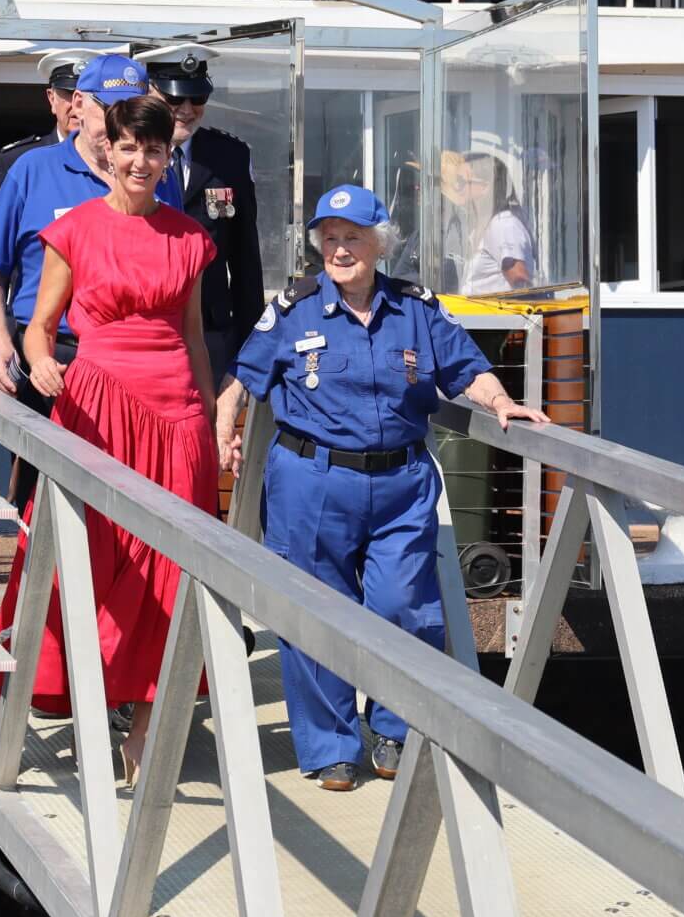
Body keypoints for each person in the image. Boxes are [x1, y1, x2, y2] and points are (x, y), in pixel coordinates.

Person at [217, 184, 548, 791]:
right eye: (330, 240)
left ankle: (395, 728)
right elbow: (245, 377)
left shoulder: (416, 309)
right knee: (315, 613)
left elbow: (466, 368)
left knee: (405, 608)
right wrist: (226, 425)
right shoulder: (293, 310)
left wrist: (501, 400)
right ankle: (331, 747)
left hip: (400, 481)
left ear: (380, 244)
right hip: (312, 482)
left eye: (353, 239)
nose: (340, 251)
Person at [0, 95, 220, 787]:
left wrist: (206, 416)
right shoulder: (75, 229)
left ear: (166, 157)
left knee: (173, 575)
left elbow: (196, 336)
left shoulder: (190, 237)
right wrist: (43, 359)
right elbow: (40, 324)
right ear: (107, 150)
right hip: (96, 410)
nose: (142, 161)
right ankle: (88, 702)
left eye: (155, 151)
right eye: (130, 148)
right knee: (85, 563)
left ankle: (145, 726)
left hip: (177, 419)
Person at [0, 53, 178, 509]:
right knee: (44, 505)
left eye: (132, 106)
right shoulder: (33, 169)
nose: (120, 120)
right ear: (77, 104)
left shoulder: (160, 176)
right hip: (53, 361)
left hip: (134, 365)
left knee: (130, 504)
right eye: (109, 108)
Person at [145, 46, 263, 382]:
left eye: (196, 98)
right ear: (149, 91)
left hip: (212, 328)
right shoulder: (128, 154)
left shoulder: (230, 155)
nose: (186, 110)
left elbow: (245, 257)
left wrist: (251, 344)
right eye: (174, 98)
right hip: (145, 324)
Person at [0, 50, 90, 197]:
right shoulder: (17, 159)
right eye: (69, 94)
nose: (77, 104)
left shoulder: (115, 160)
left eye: (86, 96)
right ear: (52, 99)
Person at [458, 152, 535, 295]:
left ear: (485, 186)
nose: (457, 187)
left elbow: (521, 283)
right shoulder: (486, 225)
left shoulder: (503, 225)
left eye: (461, 181)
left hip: (495, 316)